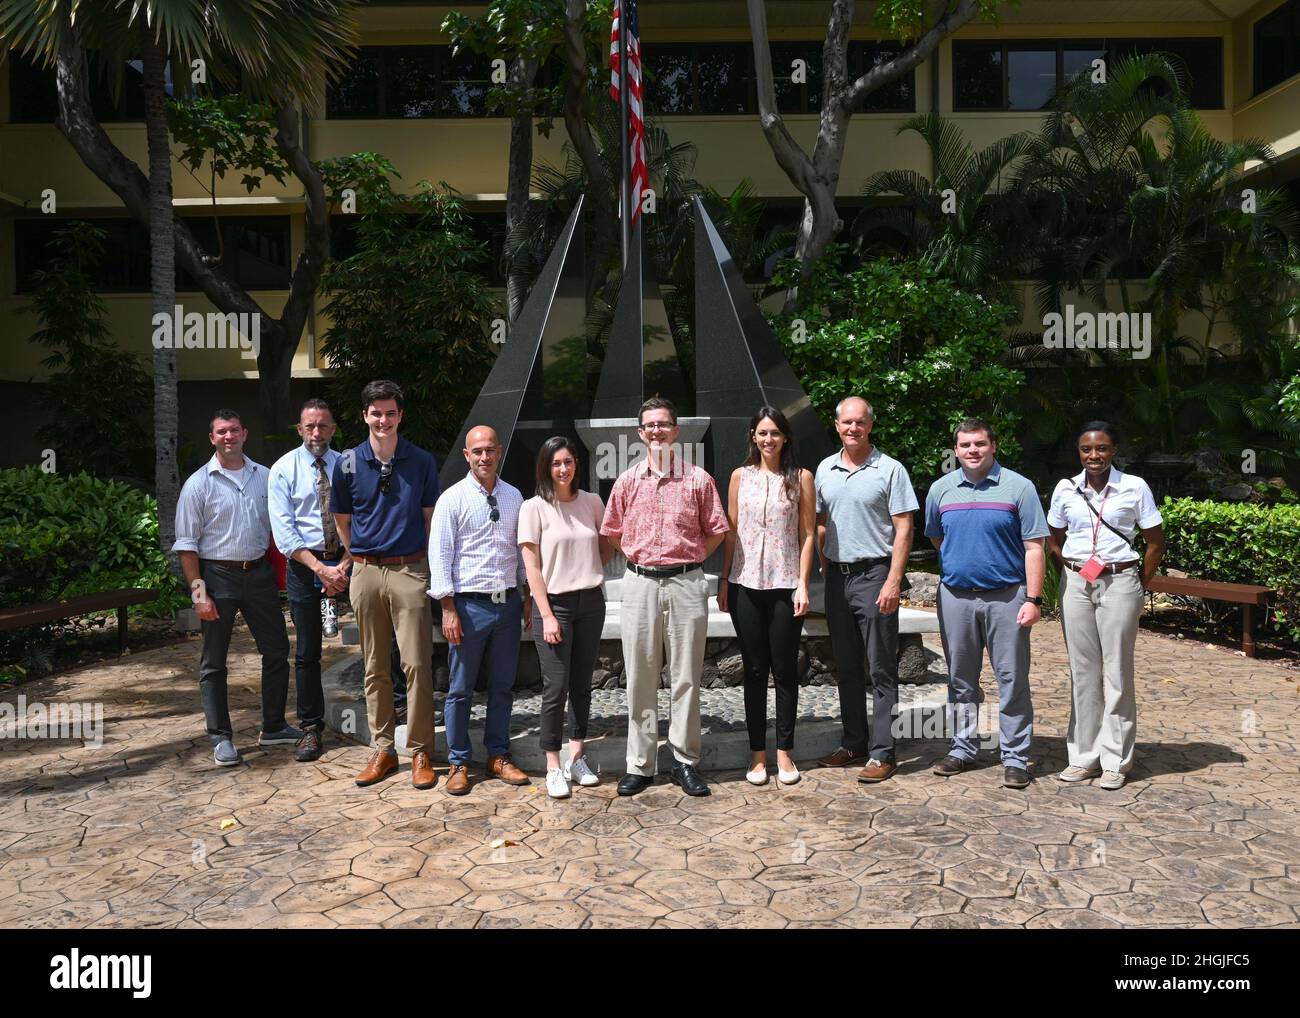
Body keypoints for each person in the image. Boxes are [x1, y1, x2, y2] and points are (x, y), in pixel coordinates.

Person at [601, 397, 730, 797]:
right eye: (649, 426)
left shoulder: (698, 480)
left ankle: (684, 761)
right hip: (639, 584)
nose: (656, 431)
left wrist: (689, 560)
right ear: (640, 434)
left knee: (686, 676)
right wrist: (643, 559)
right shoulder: (626, 481)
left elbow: (717, 530)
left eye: (663, 424)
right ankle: (640, 764)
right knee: (639, 674)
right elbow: (613, 531)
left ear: (676, 431)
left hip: (687, 585)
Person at [924, 418, 1048, 789]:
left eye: (979, 444)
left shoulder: (1019, 488)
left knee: (1011, 680)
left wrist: (1034, 598)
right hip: (956, 598)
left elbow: (1034, 547)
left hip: (1007, 598)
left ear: (993, 446)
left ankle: (1015, 755)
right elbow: (936, 538)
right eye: (965, 445)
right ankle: (962, 748)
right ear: (956, 450)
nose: (972, 451)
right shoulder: (941, 490)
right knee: (960, 679)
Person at [331, 380, 441, 790]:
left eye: (390, 413)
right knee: (375, 665)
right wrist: (360, 558)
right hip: (365, 572)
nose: (383, 420)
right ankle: (383, 748)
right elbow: (343, 520)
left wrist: (423, 565)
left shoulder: (421, 461)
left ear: (400, 416)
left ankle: (420, 750)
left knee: (416, 664)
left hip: (409, 570)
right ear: (365, 416)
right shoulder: (346, 464)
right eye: (376, 413)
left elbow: (430, 518)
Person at [173, 410, 297, 767]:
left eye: (234, 431)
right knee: (214, 662)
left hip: (258, 575)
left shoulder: (266, 477)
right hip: (217, 576)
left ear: (245, 433)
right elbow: (186, 544)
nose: (229, 437)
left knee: (276, 651)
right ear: (212, 438)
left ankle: (273, 726)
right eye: (221, 432)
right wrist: (199, 595)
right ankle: (221, 738)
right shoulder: (199, 484)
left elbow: (284, 525)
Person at [1048, 421, 1164, 790]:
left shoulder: (1134, 487)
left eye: (1101, 449)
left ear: (1114, 451)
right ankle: (1083, 757)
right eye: (1086, 449)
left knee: (1117, 671)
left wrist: (1136, 583)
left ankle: (1115, 760)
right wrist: (1070, 571)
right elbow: (1053, 538)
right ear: (1078, 452)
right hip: (1077, 583)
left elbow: (1154, 542)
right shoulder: (1066, 489)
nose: (1093, 456)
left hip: (1120, 581)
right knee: (1082, 672)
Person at [814, 396, 918, 783]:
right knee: (847, 667)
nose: (852, 428)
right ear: (837, 425)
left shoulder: (890, 470)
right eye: (846, 422)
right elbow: (821, 522)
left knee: (881, 667)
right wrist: (826, 565)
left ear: (870, 425)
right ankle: (853, 741)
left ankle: (882, 752)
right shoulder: (825, 468)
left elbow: (905, 528)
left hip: (876, 575)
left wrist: (893, 579)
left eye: (860, 422)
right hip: (838, 579)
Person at [430, 425, 532, 796]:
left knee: (503, 686)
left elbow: (521, 551)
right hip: (468, 607)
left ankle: (498, 755)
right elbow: (440, 557)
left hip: (507, 605)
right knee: (460, 688)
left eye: (490, 450)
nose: (484, 457)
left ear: (499, 451)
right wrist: (448, 608)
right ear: (467, 455)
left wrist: (527, 596)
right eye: (477, 451)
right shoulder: (452, 499)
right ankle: (459, 760)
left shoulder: (514, 496)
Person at [718, 406, 815, 786]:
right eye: (762, 433)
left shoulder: (801, 478)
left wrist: (804, 583)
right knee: (755, 671)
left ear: (785, 436)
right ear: (753, 437)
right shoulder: (740, 477)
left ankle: (785, 754)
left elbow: (808, 534)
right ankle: (757, 756)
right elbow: (729, 531)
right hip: (745, 583)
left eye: (775, 432)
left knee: (785, 670)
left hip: (786, 584)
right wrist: (725, 580)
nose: (768, 439)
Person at [519, 437, 614, 798]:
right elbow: (532, 566)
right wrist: (547, 615)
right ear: (546, 466)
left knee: (582, 684)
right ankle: (553, 765)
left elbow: (605, 547)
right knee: (555, 687)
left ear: (577, 464)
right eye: (556, 463)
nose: (563, 468)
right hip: (553, 607)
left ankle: (578, 757)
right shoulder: (535, 508)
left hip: (591, 603)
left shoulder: (591, 502)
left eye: (569, 462)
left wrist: (584, 570)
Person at [268, 398, 351, 762]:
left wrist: (344, 566)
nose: (316, 433)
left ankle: (392, 713)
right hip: (305, 567)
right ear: (300, 430)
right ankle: (310, 728)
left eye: (323, 426)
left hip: (350, 563)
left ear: (333, 429)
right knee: (307, 651)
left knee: (382, 638)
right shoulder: (283, 469)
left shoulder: (348, 466)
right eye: (310, 426)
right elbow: (284, 533)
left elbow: (361, 518)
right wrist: (321, 569)